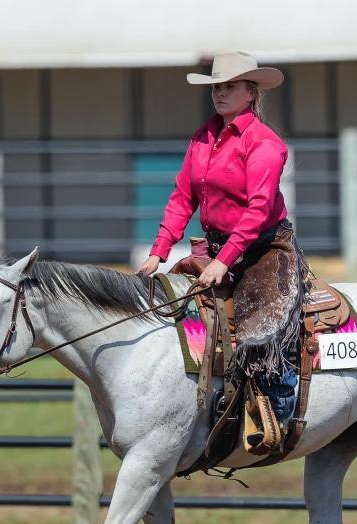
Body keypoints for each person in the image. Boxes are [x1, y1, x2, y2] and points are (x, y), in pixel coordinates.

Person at [137, 51, 306, 449]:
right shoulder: (203, 137)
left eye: (229, 86)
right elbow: (183, 197)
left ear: (251, 93)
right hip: (215, 247)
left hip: (265, 249)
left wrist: (224, 260)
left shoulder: (265, 144)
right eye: (216, 86)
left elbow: (257, 210)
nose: (220, 92)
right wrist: (159, 252)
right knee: (173, 311)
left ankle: (276, 412)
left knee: (260, 327)